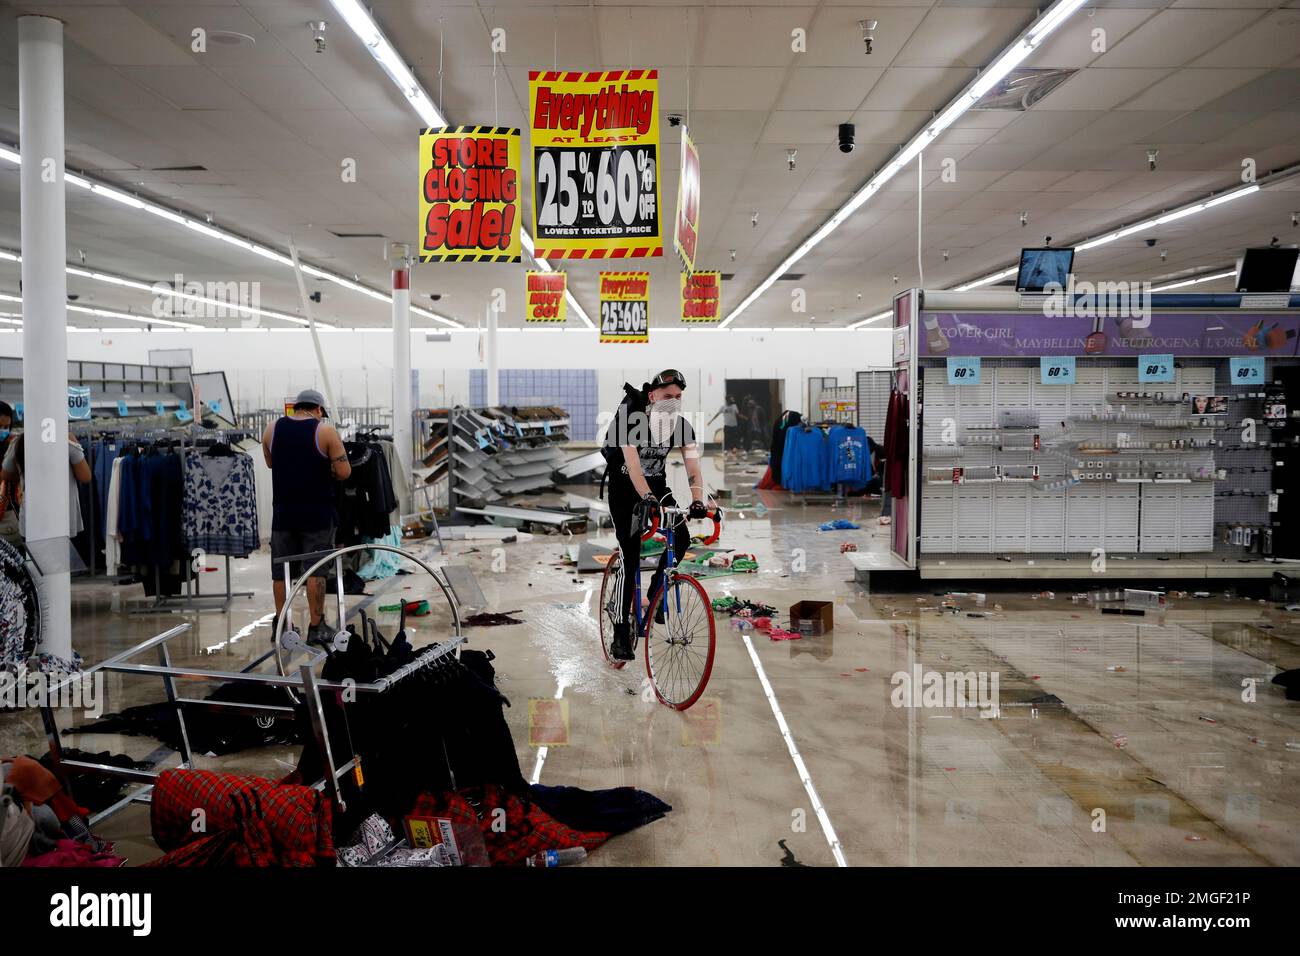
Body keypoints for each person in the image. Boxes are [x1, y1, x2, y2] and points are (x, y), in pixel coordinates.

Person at [601, 369, 708, 661]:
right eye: (667, 396)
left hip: (657, 485)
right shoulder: (631, 423)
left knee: (682, 537)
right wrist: (646, 498)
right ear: (652, 396)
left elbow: (693, 468)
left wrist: (698, 500)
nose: (673, 402)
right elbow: (634, 468)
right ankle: (621, 629)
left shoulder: (682, 427)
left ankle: (657, 590)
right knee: (630, 554)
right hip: (624, 488)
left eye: (678, 397)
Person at [262, 388, 351, 642]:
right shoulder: (325, 431)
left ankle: (282, 625)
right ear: (319, 410)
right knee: (316, 570)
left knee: (280, 571)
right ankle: (317, 625)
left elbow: (270, 463)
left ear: (295, 407)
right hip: (317, 514)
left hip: (283, 514)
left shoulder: (272, 429)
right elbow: (344, 472)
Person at [0, 431, 93, 540]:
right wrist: (75, 444)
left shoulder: (20, 441)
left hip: (32, 519)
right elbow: (85, 477)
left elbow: (6, 474)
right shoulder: (64, 440)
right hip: (62, 518)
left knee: (33, 555)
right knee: (63, 555)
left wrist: (23, 474)